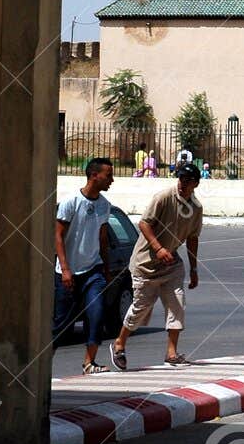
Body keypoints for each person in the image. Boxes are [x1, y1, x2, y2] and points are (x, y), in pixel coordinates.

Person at [112, 162, 203, 370]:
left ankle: (171, 353)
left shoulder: (196, 208)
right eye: (181, 179)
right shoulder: (163, 198)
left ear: (195, 184)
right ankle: (119, 343)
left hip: (171, 265)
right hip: (146, 264)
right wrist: (158, 247)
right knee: (140, 310)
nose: (183, 183)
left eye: (188, 181)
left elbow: (192, 238)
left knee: (177, 305)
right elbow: (144, 223)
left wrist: (194, 269)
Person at [54, 158, 114, 374]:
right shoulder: (71, 201)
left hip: (93, 270)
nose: (112, 180)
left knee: (97, 313)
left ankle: (89, 362)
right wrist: (66, 269)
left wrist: (106, 270)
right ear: (94, 175)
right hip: (67, 272)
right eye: (108, 175)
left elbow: (103, 238)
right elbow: (58, 236)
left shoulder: (105, 205)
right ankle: (42, 365)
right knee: (60, 325)